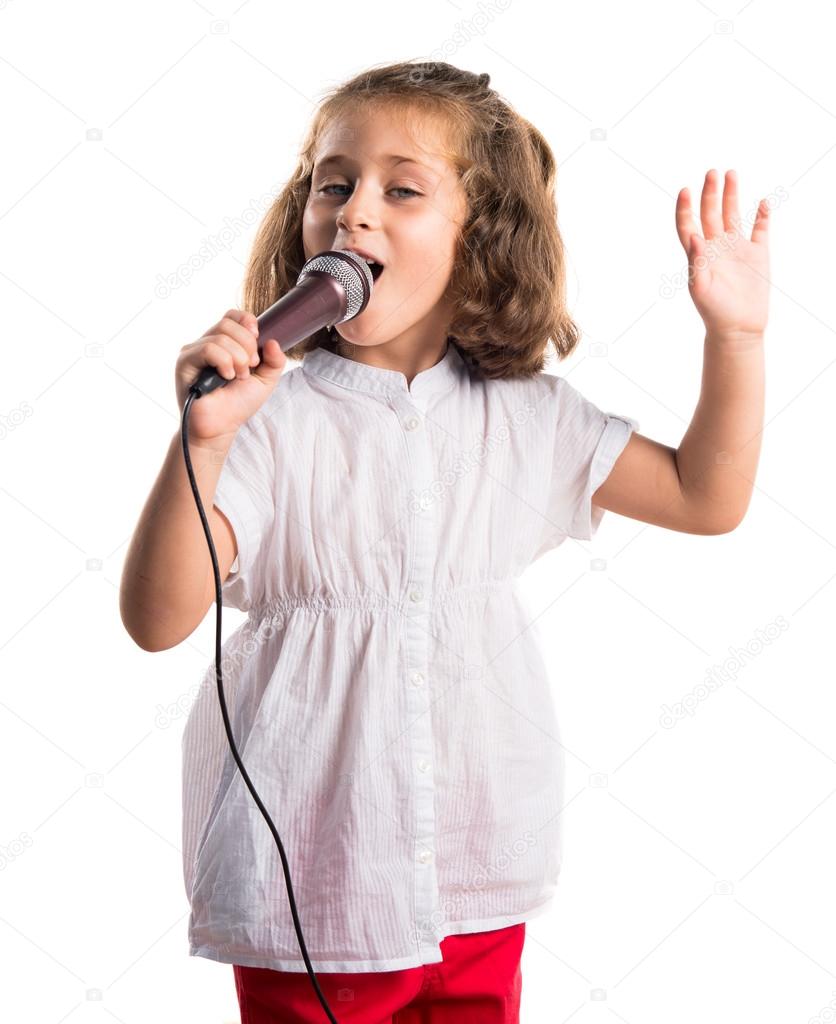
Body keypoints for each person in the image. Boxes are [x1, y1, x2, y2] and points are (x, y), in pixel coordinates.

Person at [119, 59, 771, 1024]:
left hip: (476, 878)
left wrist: (737, 341)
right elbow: (159, 616)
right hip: (317, 891)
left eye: (402, 188)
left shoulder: (529, 417)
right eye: (331, 185)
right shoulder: (272, 422)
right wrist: (203, 446)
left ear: (483, 235)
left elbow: (703, 496)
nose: (352, 213)